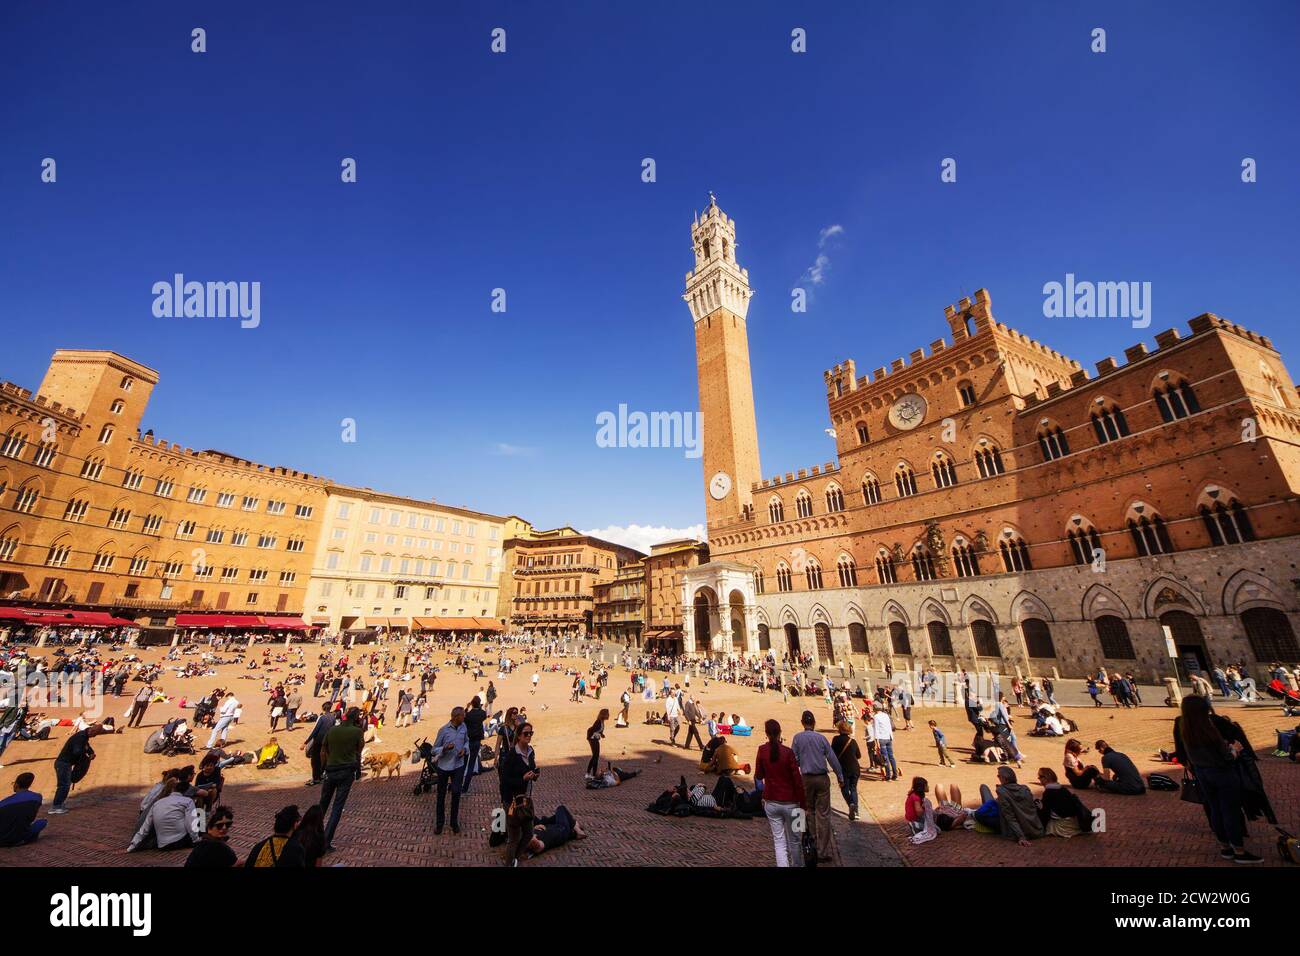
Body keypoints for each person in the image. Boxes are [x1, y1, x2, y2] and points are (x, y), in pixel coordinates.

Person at [1173, 695, 1266, 864]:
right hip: (1222, 774)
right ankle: (1239, 851)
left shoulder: (1185, 728)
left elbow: (1186, 754)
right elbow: (1227, 757)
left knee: (1215, 809)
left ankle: (1225, 848)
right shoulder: (1208, 729)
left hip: (1202, 773)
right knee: (1231, 811)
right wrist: (1235, 749)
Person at [791, 710, 843, 864]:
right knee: (824, 814)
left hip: (805, 778)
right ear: (814, 723)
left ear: (802, 723)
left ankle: (808, 843)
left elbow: (794, 760)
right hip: (821, 778)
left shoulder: (797, 738)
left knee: (806, 810)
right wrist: (840, 776)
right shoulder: (821, 738)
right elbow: (832, 758)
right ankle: (822, 851)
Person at [755, 719, 805, 867]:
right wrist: (804, 806)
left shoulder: (762, 750)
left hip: (771, 802)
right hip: (794, 804)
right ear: (780, 733)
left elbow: (758, 775)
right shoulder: (788, 752)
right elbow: (798, 781)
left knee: (779, 841)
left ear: (766, 734)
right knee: (796, 839)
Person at [318, 707, 365, 851]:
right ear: (356, 718)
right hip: (346, 771)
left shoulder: (332, 730)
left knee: (322, 805)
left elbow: (323, 751)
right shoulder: (357, 732)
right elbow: (358, 751)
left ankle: (312, 837)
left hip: (331, 769)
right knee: (337, 808)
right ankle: (326, 842)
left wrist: (323, 768)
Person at [50, 718, 114, 814]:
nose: (94, 736)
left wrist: (91, 752)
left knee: (65, 784)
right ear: (92, 731)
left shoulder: (83, 736)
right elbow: (77, 751)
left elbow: (86, 746)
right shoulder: (80, 737)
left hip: (65, 764)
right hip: (64, 764)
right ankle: (56, 806)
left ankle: (59, 804)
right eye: (94, 734)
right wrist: (85, 756)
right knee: (64, 785)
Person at [499, 722, 539, 866]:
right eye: (525, 734)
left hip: (526, 799)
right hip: (512, 801)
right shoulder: (512, 755)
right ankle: (509, 863)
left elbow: (532, 768)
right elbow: (505, 780)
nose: (529, 736)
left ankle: (514, 858)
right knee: (514, 837)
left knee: (528, 833)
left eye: (531, 733)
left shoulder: (530, 752)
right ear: (519, 736)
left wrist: (534, 774)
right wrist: (522, 779)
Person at [128, 777, 199, 851]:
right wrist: (195, 839)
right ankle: (203, 833)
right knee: (200, 811)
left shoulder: (157, 803)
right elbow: (191, 823)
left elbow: (145, 826)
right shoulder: (188, 801)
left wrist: (133, 845)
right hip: (179, 840)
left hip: (162, 844)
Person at [977, 766, 1044, 845]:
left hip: (1013, 830)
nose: (998, 777)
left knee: (983, 791)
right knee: (989, 796)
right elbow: (1032, 809)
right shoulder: (1025, 789)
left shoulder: (1002, 791)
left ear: (1005, 779)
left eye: (999, 776)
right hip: (1034, 829)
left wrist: (1021, 836)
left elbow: (1010, 816)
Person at [432, 706, 467, 834]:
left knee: (456, 793)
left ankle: (454, 822)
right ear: (455, 717)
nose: (464, 717)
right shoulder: (443, 730)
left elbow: (466, 742)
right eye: (462, 715)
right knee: (441, 795)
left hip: (458, 765)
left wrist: (465, 749)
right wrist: (445, 748)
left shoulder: (464, 727)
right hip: (444, 766)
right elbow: (434, 749)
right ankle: (439, 823)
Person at [514, 804, 587, 860]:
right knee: (561, 808)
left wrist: (532, 829)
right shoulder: (539, 844)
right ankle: (578, 830)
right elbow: (537, 845)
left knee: (558, 818)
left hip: (553, 827)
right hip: (561, 829)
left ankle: (574, 826)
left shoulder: (529, 833)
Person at [1035, 768, 1093, 838]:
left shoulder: (1049, 792)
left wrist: (1041, 809)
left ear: (1046, 778)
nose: (1039, 779)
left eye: (1040, 777)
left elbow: (1046, 814)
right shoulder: (1062, 788)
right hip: (1075, 822)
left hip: (1064, 826)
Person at [0, 773, 46, 846]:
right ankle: (25, 838)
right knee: (42, 822)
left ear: (17, 785)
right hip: (22, 836)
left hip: (2, 840)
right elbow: (30, 817)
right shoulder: (37, 797)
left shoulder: (4, 803)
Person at [831, 721, 862, 821]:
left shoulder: (835, 740)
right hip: (855, 768)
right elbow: (859, 755)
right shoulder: (852, 741)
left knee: (844, 788)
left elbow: (832, 754)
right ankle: (856, 811)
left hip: (843, 769)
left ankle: (851, 804)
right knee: (853, 788)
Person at [301, 702, 337, 786]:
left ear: (323, 708)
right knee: (324, 759)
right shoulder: (333, 718)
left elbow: (315, 731)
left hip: (318, 741)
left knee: (315, 760)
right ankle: (321, 775)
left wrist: (305, 742)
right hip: (327, 741)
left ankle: (315, 778)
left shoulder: (322, 718)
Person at [460, 696, 487, 793]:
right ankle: (465, 787)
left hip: (468, 740)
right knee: (471, 764)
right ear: (479, 704)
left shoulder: (468, 715)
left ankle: (459, 783)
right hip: (477, 741)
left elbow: (463, 717)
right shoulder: (482, 713)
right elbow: (484, 714)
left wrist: (467, 708)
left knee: (463, 763)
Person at [871, 704, 898, 780]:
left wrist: (877, 742)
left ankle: (888, 776)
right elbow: (889, 726)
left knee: (885, 758)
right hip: (888, 737)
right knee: (891, 756)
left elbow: (876, 729)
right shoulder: (886, 715)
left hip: (881, 738)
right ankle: (895, 774)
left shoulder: (876, 717)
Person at [585, 709, 608, 778]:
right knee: (595, 756)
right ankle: (590, 774)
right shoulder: (598, 722)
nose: (608, 715)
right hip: (593, 739)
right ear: (604, 714)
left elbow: (598, 730)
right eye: (607, 714)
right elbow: (592, 729)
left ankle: (591, 774)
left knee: (595, 757)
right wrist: (590, 738)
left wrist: (601, 734)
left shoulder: (601, 721)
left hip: (595, 739)